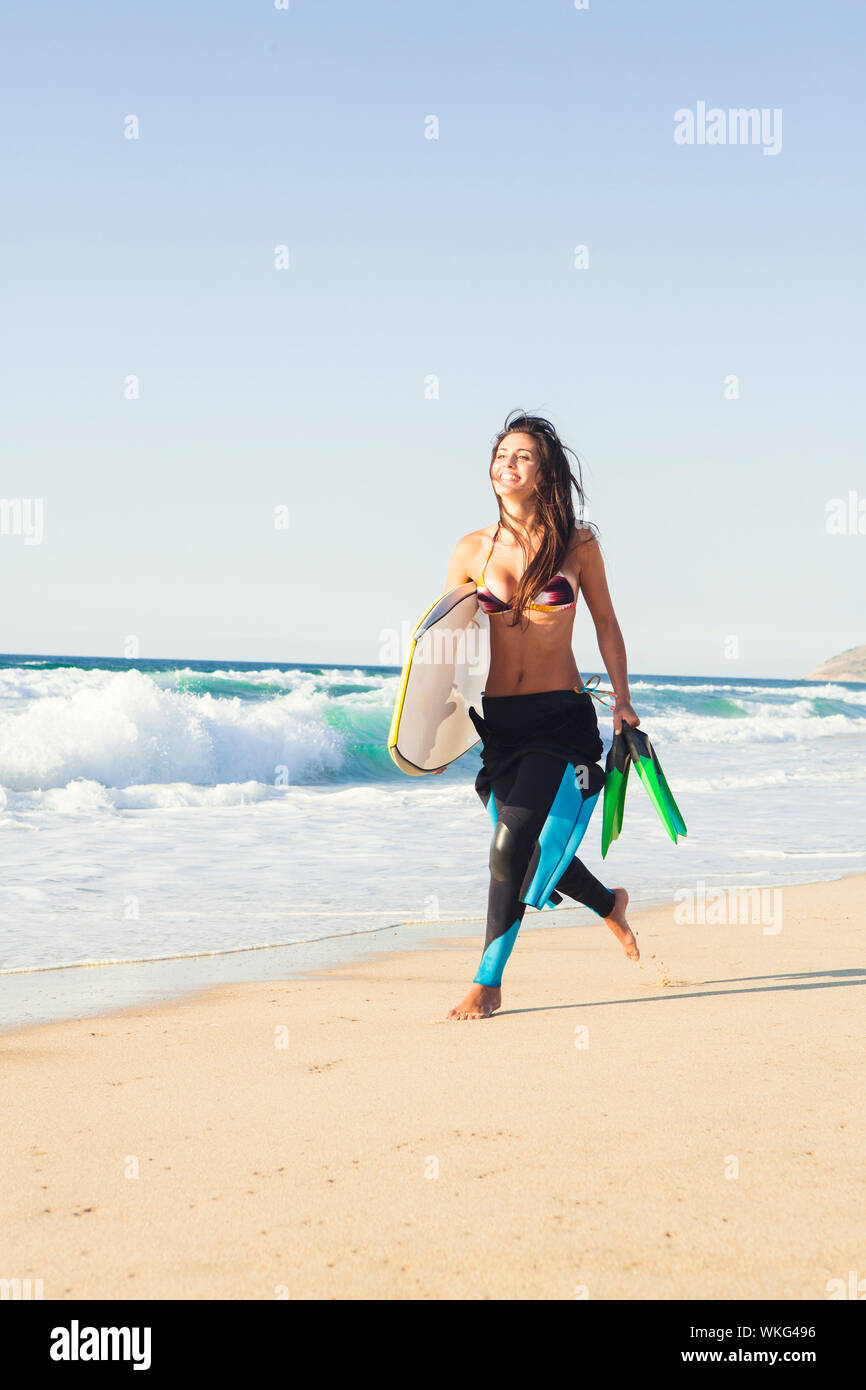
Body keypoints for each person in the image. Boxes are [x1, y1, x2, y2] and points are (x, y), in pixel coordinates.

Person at [444, 411, 640, 1021]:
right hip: (500, 721)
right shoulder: (471, 550)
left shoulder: (577, 545)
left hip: (561, 717)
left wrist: (624, 703)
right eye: (502, 454)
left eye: (524, 455)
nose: (509, 463)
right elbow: (446, 640)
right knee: (528, 852)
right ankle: (610, 904)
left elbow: (606, 623)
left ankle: (487, 983)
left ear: (545, 470)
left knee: (510, 848)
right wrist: (437, 716)